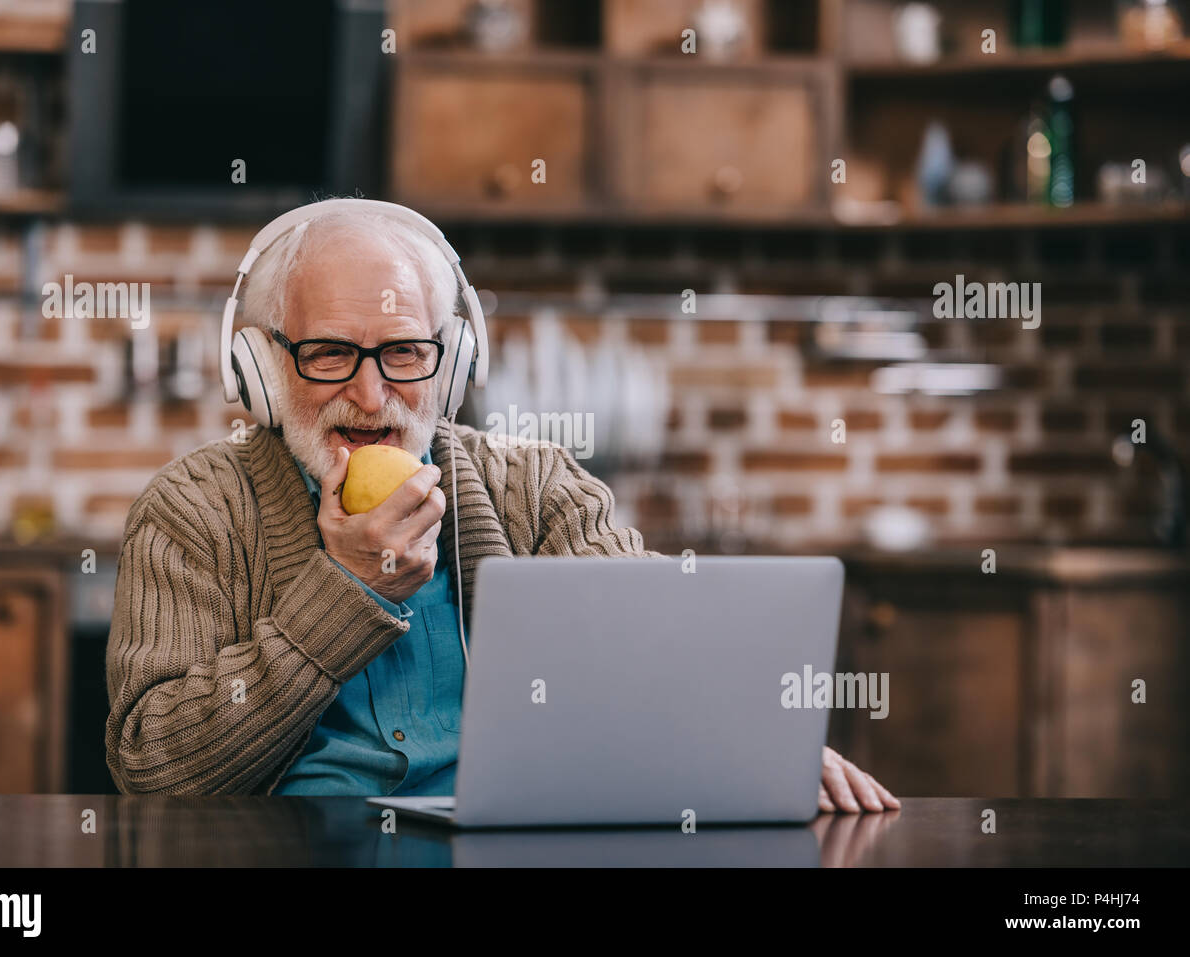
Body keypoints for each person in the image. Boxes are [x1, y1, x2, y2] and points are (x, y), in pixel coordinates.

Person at [104, 199, 899, 814]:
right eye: (330, 353)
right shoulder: (192, 510)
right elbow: (155, 770)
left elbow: (647, 638)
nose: (371, 393)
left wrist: (758, 736)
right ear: (264, 369)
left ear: (451, 369)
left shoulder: (538, 487)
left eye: (405, 352)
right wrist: (349, 589)